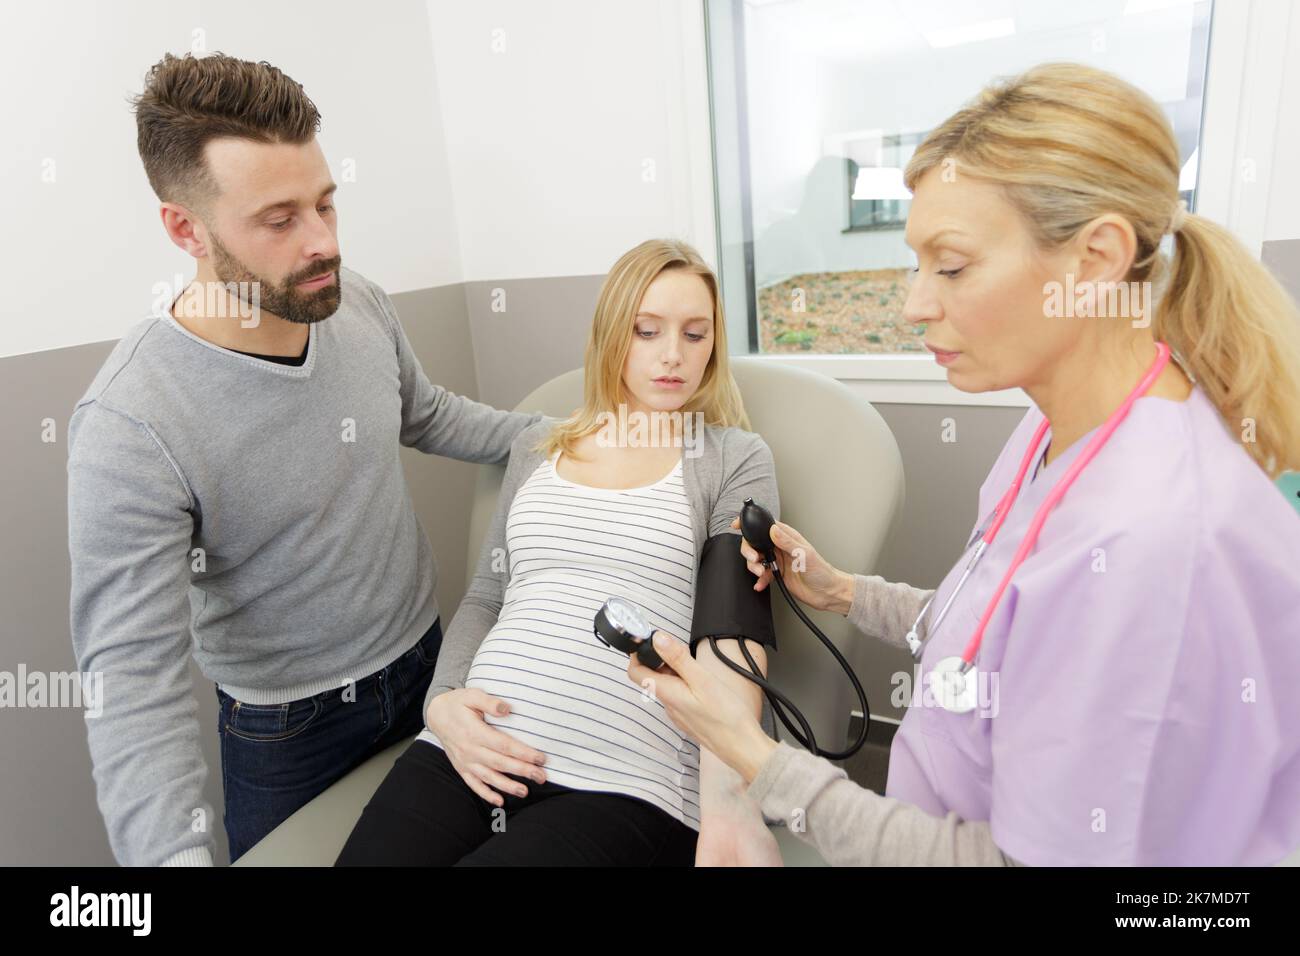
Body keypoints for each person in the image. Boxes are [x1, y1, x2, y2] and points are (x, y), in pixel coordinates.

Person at [624, 63, 1300, 866]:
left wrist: (751, 755)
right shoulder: (1056, 423)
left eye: (950, 265)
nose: (913, 303)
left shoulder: (1151, 538)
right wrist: (844, 592)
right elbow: (995, 631)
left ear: (1095, 260)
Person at [67, 52, 540, 866]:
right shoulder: (130, 422)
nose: (323, 241)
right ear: (186, 228)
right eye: (280, 219)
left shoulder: (352, 299)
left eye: (326, 202)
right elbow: (132, 686)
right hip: (291, 733)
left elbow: (424, 414)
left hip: (434, 665)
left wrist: (560, 433)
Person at [336, 239, 784, 866]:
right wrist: (441, 708)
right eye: (647, 330)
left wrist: (730, 803)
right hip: (472, 747)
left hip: (624, 779)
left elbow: (732, 633)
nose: (673, 356)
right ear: (610, 336)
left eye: (695, 333)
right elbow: (489, 595)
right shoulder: (537, 448)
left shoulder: (732, 458)